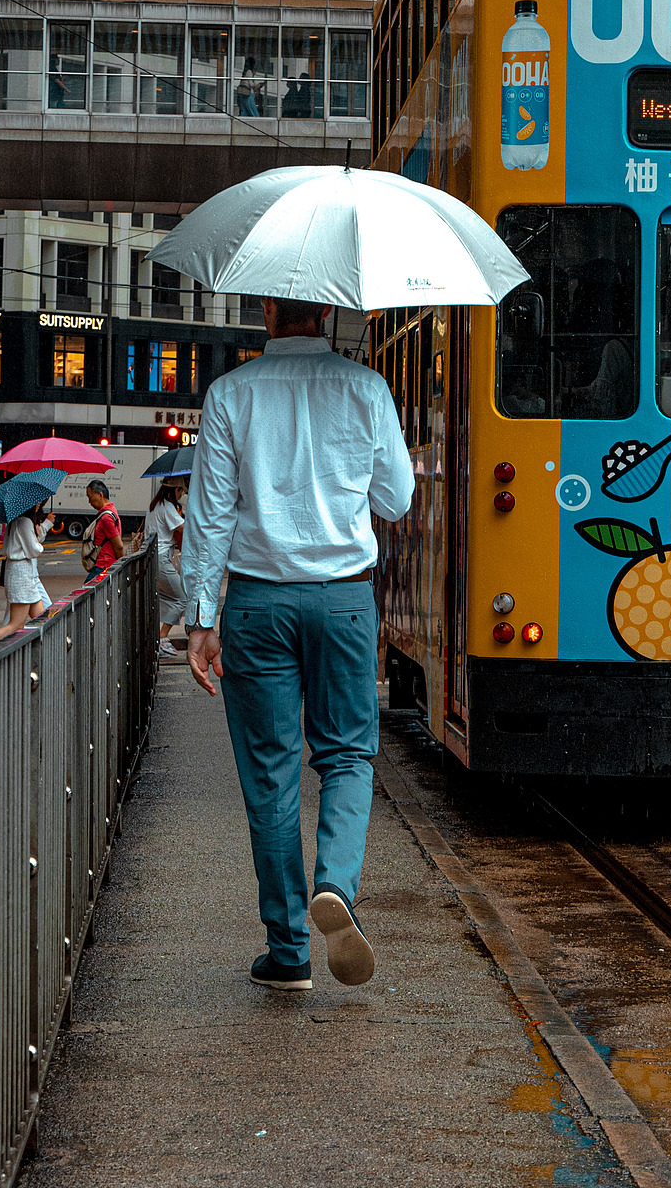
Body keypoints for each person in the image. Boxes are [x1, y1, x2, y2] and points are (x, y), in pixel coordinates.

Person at [184, 296, 414, 993]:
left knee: (271, 775)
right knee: (347, 754)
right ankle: (335, 883)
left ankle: (288, 952)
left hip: (258, 603)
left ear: (266, 310)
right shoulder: (366, 387)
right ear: (327, 311)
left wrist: (201, 620)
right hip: (344, 598)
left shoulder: (230, 394)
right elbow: (397, 500)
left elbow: (210, 513)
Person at [0, 499, 52, 647]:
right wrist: (38, 543)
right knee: (16, 624)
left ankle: (41, 654)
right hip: (21, 574)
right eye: (37, 502)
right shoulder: (24, 522)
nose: (39, 504)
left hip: (24, 574)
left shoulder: (17, 521)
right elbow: (33, 549)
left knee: (42, 620)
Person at [144, 475, 187, 662]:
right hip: (162, 559)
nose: (182, 495)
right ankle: (162, 637)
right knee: (182, 598)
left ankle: (155, 637)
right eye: (181, 491)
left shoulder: (155, 505)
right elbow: (183, 528)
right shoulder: (168, 507)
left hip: (153, 559)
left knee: (163, 598)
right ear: (175, 491)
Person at [86, 479, 123, 581]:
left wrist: (122, 565)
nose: (89, 502)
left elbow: (119, 546)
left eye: (90, 497)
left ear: (100, 495)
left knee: (85, 592)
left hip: (103, 566)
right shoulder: (110, 511)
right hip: (105, 565)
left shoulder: (106, 517)